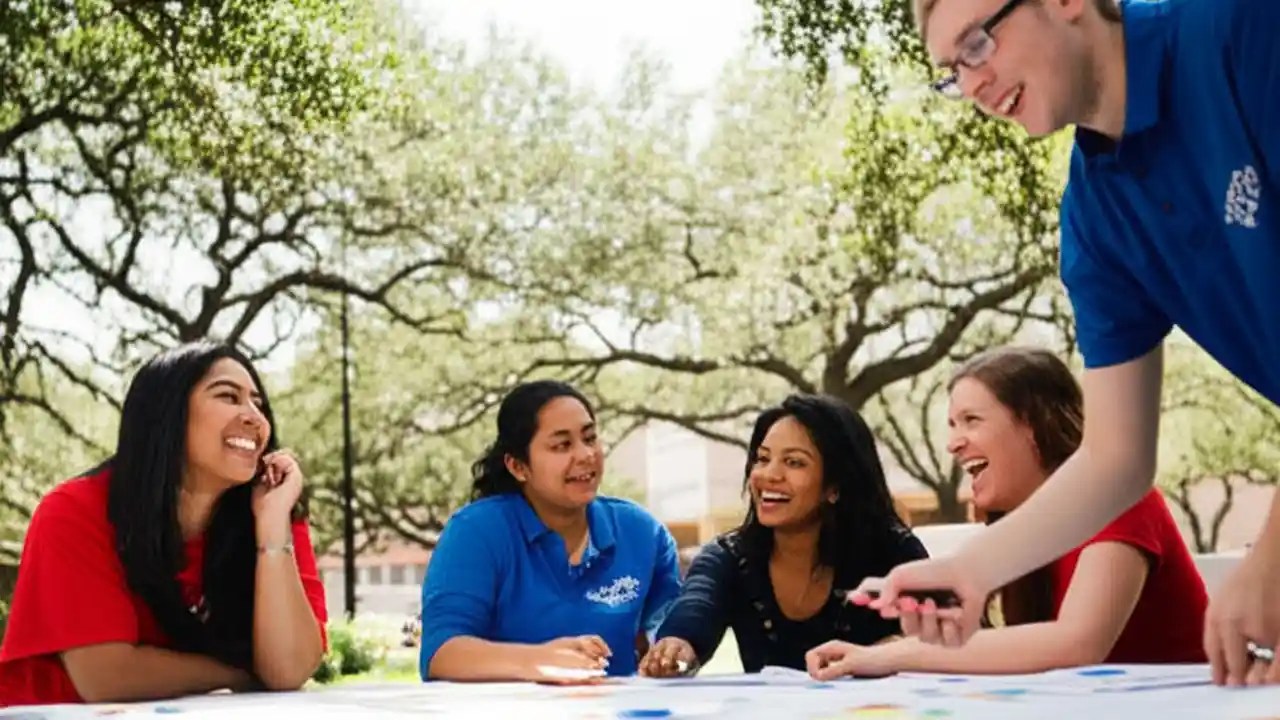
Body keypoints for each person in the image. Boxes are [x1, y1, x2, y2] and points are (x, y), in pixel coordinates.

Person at [860, 0, 1280, 686]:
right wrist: (971, 570)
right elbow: (1116, 459)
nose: (973, 85)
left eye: (977, 44)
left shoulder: (1242, 27)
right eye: (952, 72)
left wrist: (1271, 558)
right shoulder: (1094, 219)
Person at [810, 348, 1206, 679]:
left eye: (971, 420)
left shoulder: (1120, 499)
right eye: (952, 425)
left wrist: (894, 655)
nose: (953, 444)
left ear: (1035, 425)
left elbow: (1077, 642)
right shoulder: (1016, 539)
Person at [0, 342, 328, 706]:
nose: (255, 418)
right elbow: (107, 677)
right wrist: (240, 673)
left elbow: (288, 671)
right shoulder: (73, 511)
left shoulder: (271, 508)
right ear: (168, 414)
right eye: (228, 396)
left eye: (258, 403)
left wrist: (272, 531)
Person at [639, 394, 927, 676]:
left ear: (835, 485)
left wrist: (886, 654)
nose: (768, 475)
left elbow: (939, 640)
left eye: (794, 462)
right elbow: (696, 607)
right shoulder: (729, 556)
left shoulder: (893, 551)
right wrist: (677, 648)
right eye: (763, 459)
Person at [418, 380, 682, 682]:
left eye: (589, 438)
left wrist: (671, 653)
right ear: (518, 467)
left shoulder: (642, 533)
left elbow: (669, 634)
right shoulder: (475, 533)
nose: (585, 454)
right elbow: (442, 654)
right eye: (562, 445)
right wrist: (539, 660)